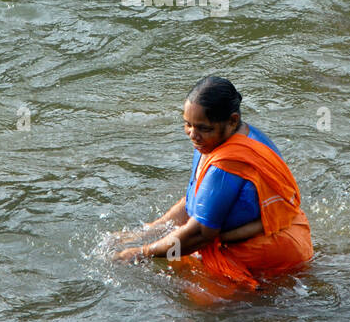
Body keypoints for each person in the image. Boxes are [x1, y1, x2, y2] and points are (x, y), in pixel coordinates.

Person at [114, 77, 312, 290]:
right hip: (289, 234)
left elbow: (200, 233)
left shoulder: (227, 164)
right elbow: (195, 200)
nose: (193, 134)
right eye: (187, 124)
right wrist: (149, 231)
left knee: (192, 311)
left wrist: (142, 252)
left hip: (266, 257)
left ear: (232, 120)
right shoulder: (233, 137)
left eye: (203, 128)